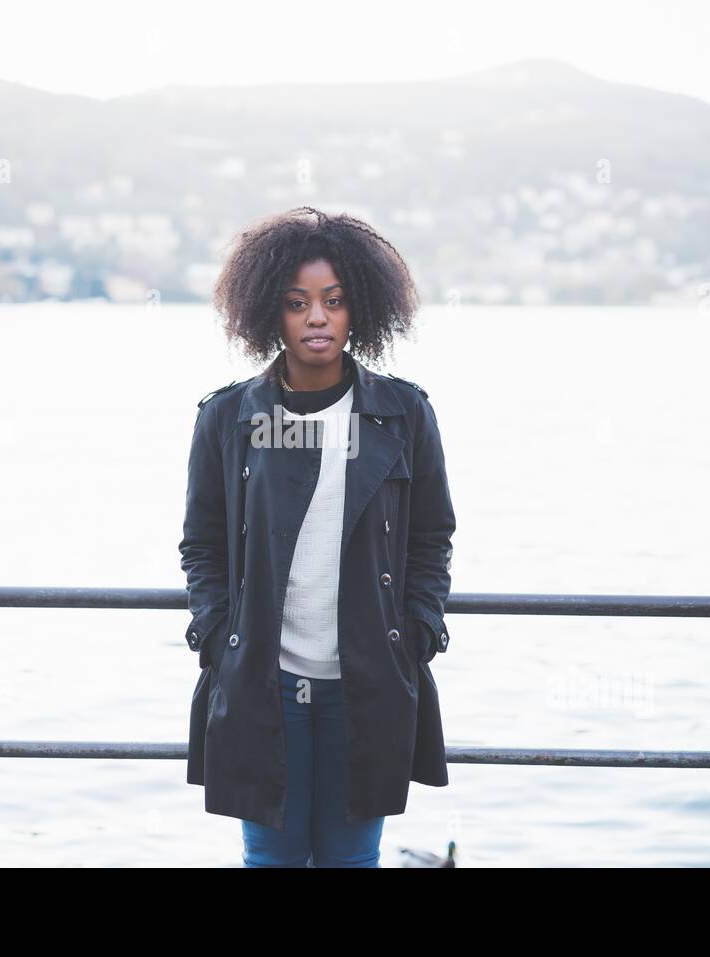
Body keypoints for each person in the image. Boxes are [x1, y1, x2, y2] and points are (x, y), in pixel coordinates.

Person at [180, 206, 456, 867]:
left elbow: (432, 537)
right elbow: (203, 545)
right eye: (297, 302)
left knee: (354, 861)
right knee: (268, 861)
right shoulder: (228, 418)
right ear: (269, 313)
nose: (316, 318)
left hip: (367, 688)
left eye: (333, 301)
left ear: (357, 306)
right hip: (261, 686)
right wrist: (219, 635)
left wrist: (418, 628)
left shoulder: (404, 413)